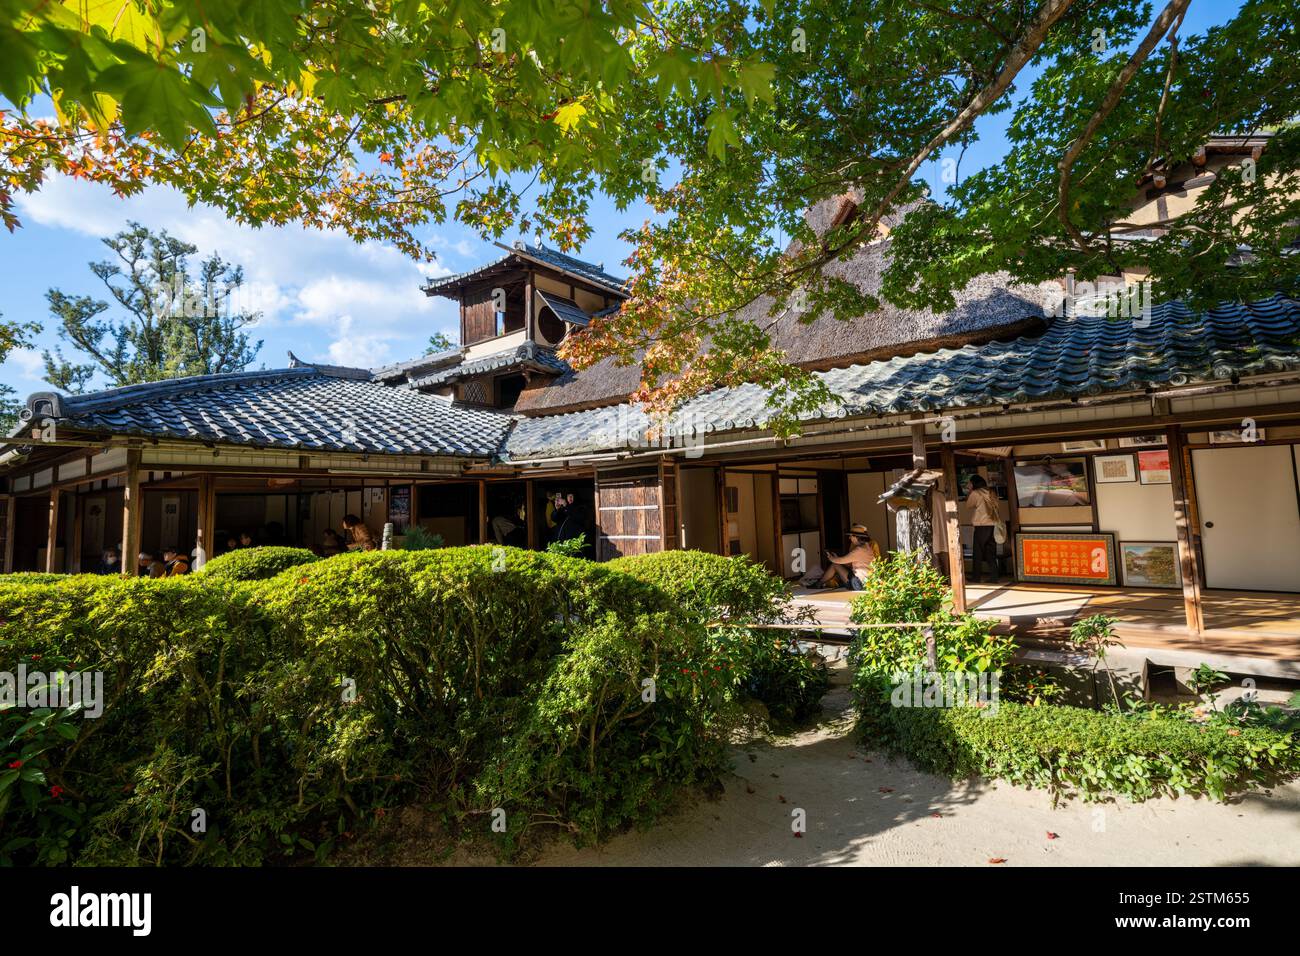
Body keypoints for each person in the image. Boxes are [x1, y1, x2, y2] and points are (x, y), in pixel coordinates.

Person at [810, 524, 877, 590]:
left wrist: (831, 558)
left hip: (859, 584)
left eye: (851, 536)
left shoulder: (859, 550)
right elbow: (846, 562)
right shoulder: (866, 546)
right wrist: (836, 558)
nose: (849, 538)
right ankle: (819, 583)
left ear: (856, 537)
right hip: (866, 582)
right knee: (837, 565)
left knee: (835, 565)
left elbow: (840, 561)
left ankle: (818, 583)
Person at [966, 474, 1001, 584]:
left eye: (969, 483)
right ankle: (994, 577)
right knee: (990, 552)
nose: (968, 485)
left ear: (974, 483)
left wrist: (970, 491)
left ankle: (976, 577)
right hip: (993, 524)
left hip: (981, 525)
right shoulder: (992, 492)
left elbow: (968, 505)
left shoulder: (975, 493)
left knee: (978, 552)